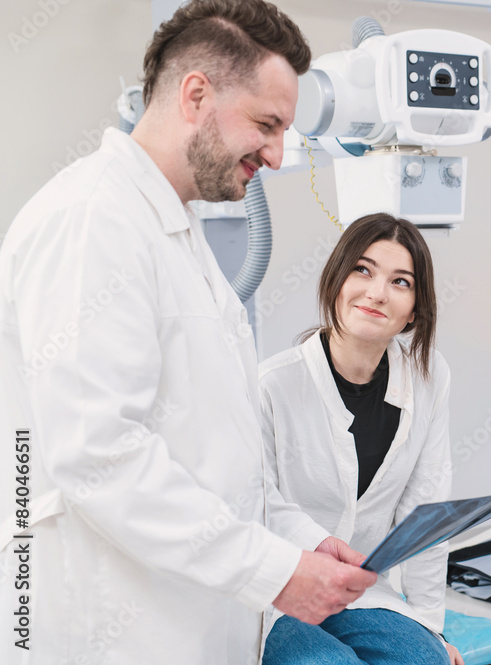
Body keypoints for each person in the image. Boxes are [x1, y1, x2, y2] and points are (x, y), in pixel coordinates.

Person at [0, 2, 377, 663]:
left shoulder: (177, 234)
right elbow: (98, 454)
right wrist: (275, 571)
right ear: (196, 94)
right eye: (267, 124)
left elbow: (214, 463)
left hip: (193, 625)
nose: (278, 152)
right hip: (107, 631)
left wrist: (293, 542)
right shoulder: (95, 220)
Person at [258, 214, 463, 665]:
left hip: (363, 596)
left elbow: (425, 514)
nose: (377, 293)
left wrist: (431, 630)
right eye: (363, 270)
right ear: (337, 277)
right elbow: (256, 503)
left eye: (400, 281)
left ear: (415, 309)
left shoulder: (429, 378)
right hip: (277, 596)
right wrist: (313, 544)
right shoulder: (273, 385)